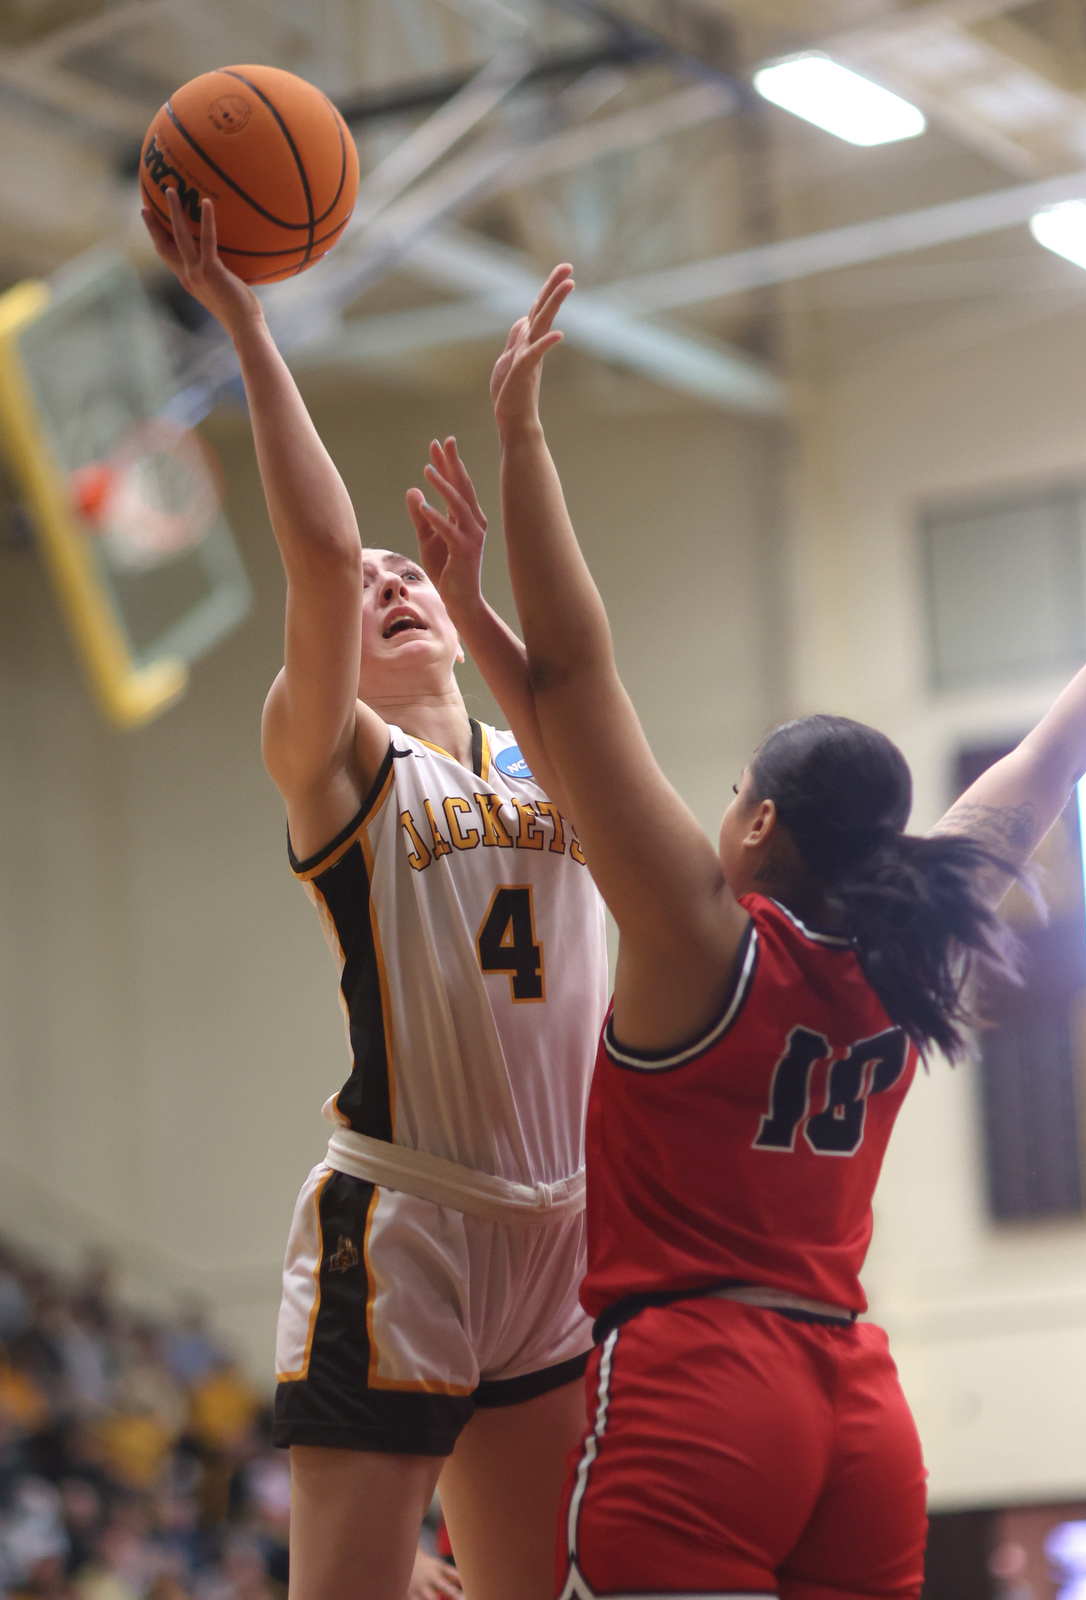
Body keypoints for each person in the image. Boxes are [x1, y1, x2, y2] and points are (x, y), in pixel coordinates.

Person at [425, 262, 1086, 1598]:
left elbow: (579, 676)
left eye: (731, 795)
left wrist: (523, 436)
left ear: (760, 823)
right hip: (855, 1406)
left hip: (702, 1382)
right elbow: (1059, 754)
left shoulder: (705, 938)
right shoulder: (906, 948)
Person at [142, 194, 607, 1600]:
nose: (388, 578)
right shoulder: (336, 752)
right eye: (367, 580)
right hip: (408, 1220)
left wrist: (523, 447)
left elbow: (580, 661)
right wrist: (248, 327)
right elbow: (316, 547)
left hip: (560, 1227)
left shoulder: (547, 751)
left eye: (407, 571)